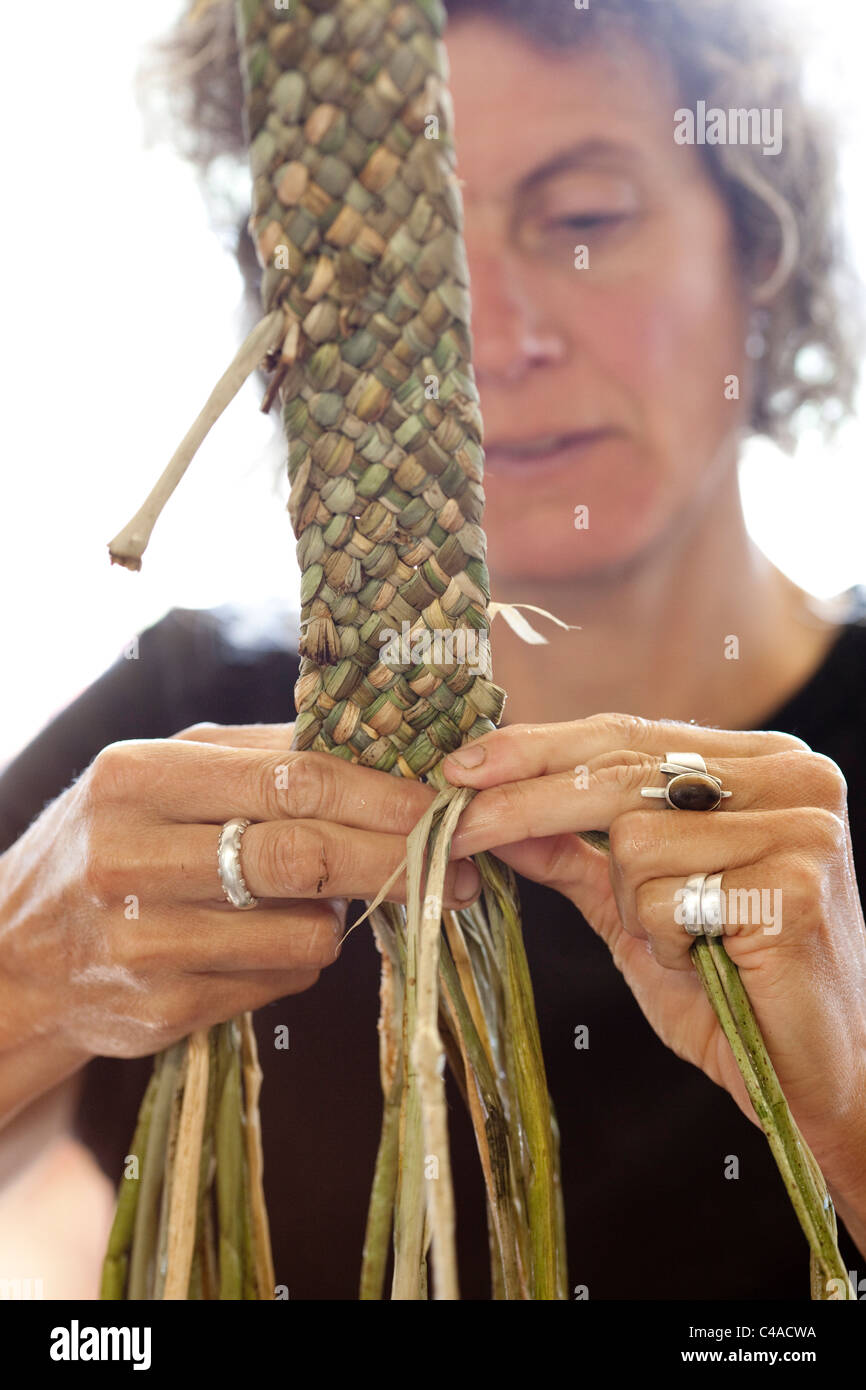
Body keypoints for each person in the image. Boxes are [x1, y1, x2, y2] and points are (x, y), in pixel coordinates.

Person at [1, 0, 866, 1299]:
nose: (489, 337)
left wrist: (845, 1110)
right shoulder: (180, 734)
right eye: (395, 251)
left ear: (758, 241)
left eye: (581, 222)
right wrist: (24, 975)